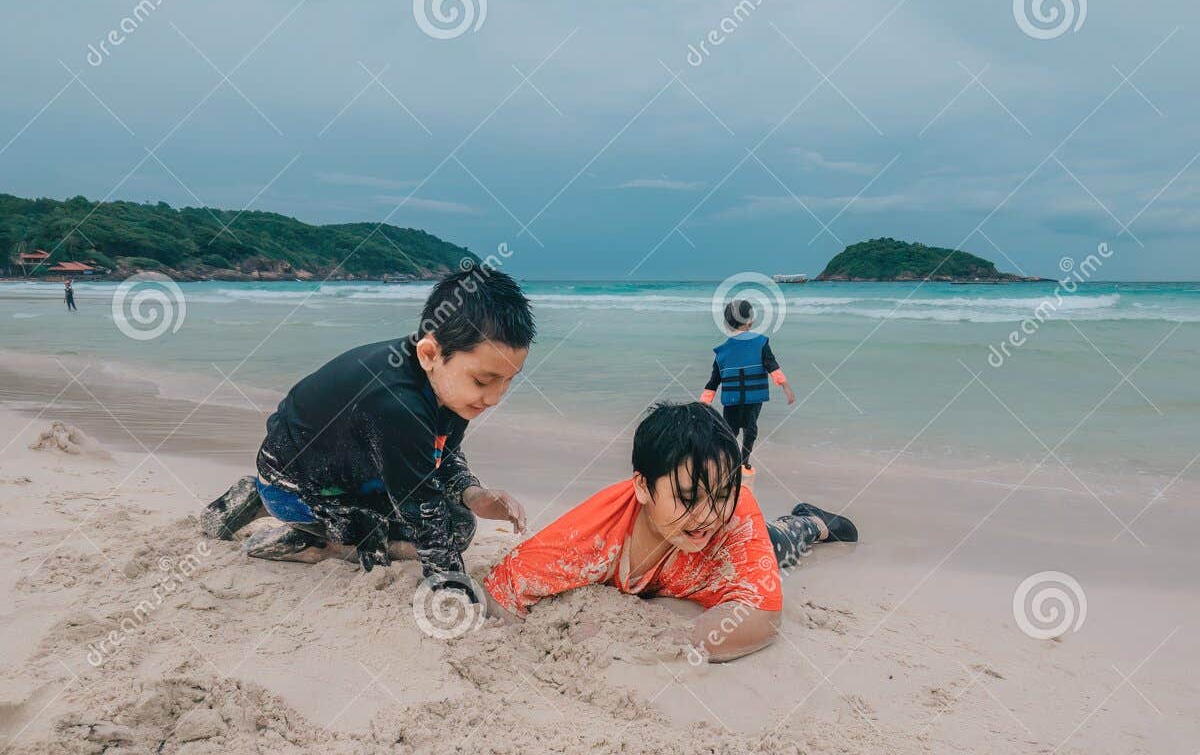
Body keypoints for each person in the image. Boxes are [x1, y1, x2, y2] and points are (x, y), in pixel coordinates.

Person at [200, 265, 535, 587]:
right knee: (395, 529)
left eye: (507, 382)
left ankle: (280, 507)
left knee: (461, 525)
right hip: (298, 486)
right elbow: (420, 507)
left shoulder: (448, 386)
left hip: (363, 474)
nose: (493, 398)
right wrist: (451, 584)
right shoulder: (396, 400)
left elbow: (441, 453)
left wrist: (472, 495)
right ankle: (300, 530)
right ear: (430, 354)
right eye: (483, 381)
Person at [483, 401, 856, 662]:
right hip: (667, 556)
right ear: (643, 487)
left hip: (733, 547)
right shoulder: (592, 533)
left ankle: (810, 522)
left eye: (723, 492)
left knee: (782, 542)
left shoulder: (730, 516)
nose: (708, 514)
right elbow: (503, 588)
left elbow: (761, 617)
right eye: (687, 497)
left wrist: (663, 642)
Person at [700, 298, 795, 475]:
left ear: (726, 324)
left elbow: (713, 382)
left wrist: (703, 404)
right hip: (751, 401)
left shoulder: (723, 352)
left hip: (733, 401)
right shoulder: (759, 344)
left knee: (730, 433)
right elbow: (771, 365)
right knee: (750, 430)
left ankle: (729, 461)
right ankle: (742, 462)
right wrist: (785, 386)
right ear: (751, 321)